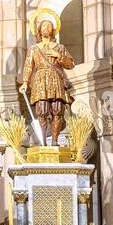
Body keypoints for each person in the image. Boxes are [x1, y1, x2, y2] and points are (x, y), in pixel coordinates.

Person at [20, 9, 74, 144]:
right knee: (42, 112)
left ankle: (55, 141)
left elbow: (71, 64)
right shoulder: (34, 48)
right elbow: (28, 66)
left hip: (56, 79)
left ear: (53, 31)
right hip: (40, 81)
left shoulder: (59, 47)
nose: (46, 28)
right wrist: (25, 82)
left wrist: (59, 56)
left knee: (57, 111)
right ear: (39, 30)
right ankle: (43, 142)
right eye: (44, 26)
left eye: (49, 26)